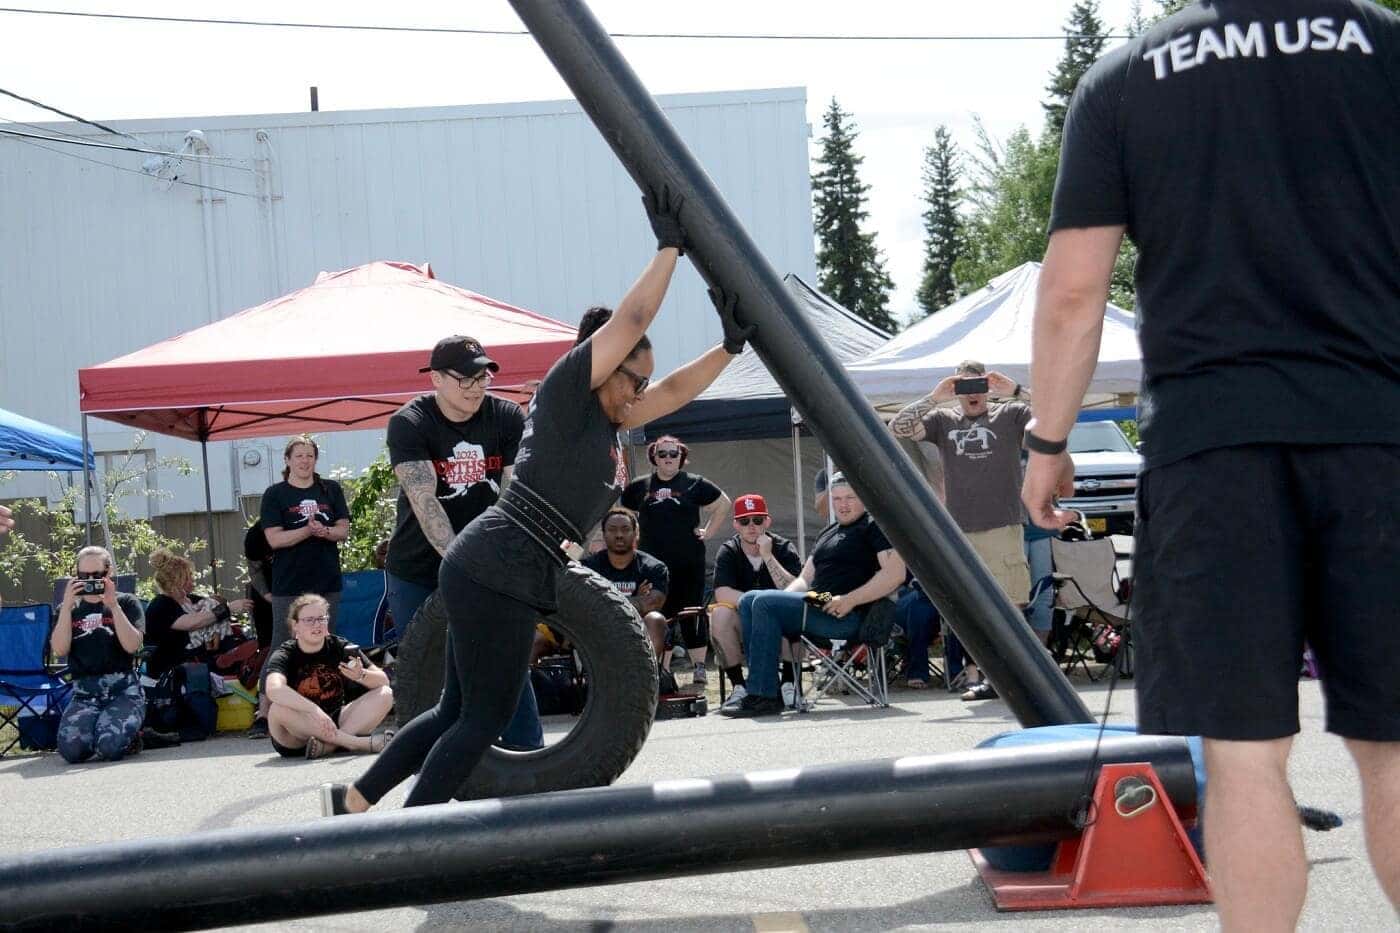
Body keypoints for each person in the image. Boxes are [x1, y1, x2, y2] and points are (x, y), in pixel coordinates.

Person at [1019, 5, 1399, 930]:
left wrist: (1047, 443)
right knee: (1392, 750)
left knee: (1241, 757)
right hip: (1379, 436)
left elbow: (1074, 290)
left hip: (1212, 450)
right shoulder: (1384, 49)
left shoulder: (1127, 78)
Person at [322, 184, 746, 815]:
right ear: (603, 367)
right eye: (636, 376)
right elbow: (631, 321)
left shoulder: (609, 420)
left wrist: (731, 347)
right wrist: (669, 250)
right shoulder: (570, 387)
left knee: (457, 711)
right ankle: (409, 840)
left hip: (511, 569)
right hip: (497, 562)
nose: (643, 389)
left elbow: (679, 390)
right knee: (480, 717)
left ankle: (356, 802)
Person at [382, 333, 540, 749]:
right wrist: (462, 563)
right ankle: (433, 764)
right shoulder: (409, 423)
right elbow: (423, 499)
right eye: (464, 379)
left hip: (489, 559)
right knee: (430, 667)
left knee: (506, 654)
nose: (476, 388)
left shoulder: (506, 416)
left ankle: (529, 755)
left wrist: (497, 561)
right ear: (435, 379)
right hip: (419, 567)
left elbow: (511, 494)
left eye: (483, 378)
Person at [890, 359, 1041, 701]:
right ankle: (993, 679)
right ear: (956, 390)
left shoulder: (1011, 413)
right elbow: (898, 428)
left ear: (988, 387)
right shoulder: (943, 420)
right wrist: (934, 396)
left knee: (1011, 605)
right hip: (960, 530)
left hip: (1002, 523)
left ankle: (1026, 679)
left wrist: (1014, 389)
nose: (973, 394)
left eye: (978, 386)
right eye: (964, 387)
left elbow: (1054, 417)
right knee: (976, 608)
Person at [722, 474, 905, 718]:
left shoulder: (875, 526)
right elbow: (804, 581)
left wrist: (850, 599)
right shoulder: (828, 533)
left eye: (850, 497)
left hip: (850, 610)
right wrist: (779, 601)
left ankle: (763, 696)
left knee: (764, 601)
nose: (843, 504)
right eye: (837, 498)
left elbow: (895, 574)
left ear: (863, 498)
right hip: (821, 599)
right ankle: (766, 690)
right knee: (750, 599)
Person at [620, 435, 731, 685]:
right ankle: (662, 669)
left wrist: (708, 532)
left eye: (673, 454)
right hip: (652, 566)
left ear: (681, 457)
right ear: (654, 457)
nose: (668, 458)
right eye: (663, 454)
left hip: (689, 562)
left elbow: (723, 504)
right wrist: (632, 536)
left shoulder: (694, 483)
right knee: (658, 613)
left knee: (692, 613)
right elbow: (622, 513)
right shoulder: (640, 486)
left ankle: (699, 668)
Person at [263, 594, 393, 759]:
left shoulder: (340, 646)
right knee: (277, 708)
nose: (316, 624)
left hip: (336, 719)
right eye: (309, 620)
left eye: (321, 619)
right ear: (295, 625)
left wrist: (361, 675)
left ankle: (330, 746)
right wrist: (313, 709)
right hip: (297, 734)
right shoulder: (285, 653)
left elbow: (383, 680)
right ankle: (359, 743)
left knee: (385, 694)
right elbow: (273, 689)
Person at [708, 493, 804, 711]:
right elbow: (722, 593)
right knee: (720, 615)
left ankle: (789, 683)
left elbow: (794, 589)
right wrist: (757, 605)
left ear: (767, 521)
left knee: (796, 612)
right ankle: (739, 687)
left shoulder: (783, 547)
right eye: (744, 521)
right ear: (736, 525)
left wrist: (768, 556)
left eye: (757, 520)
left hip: (779, 621)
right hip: (744, 620)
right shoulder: (729, 551)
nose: (751, 526)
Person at [50, 546, 146, 763]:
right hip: (85, 693)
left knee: (109, 748)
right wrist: (65, 607)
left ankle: (130, 735)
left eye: (97, 575)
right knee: (72, 752)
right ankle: (105, 730)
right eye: (83, 576)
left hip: (123, 691)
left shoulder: (126, 602)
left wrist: (112, 606)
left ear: (109, 572)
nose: (90, 581)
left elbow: (132, 646)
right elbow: (59, 649)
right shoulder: (69, 610)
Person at [260, 436, 350, 634]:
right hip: (289, 586)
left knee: (324, 640)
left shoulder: (331, 489)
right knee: (284, 646)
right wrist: (308, 530)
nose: (304, 460)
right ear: (287, 460)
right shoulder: (275, 494)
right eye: (299, 455)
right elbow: (274, 540)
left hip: (327, 583)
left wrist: (325, 531)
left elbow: (343, 530)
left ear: (315, 460)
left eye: (310, 455)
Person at [580, 508, 670, 676]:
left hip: (637, 628)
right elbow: (581, 604)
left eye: (625, 529)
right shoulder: (587, 568)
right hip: (596, 629)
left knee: (655, 618)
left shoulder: (653, 567)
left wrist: (602, 602)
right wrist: (637, 600)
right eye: (612, 530)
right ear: (604, 534)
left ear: (636, 533)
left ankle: (646, 676)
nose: (619, 535)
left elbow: (653, 602)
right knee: (539, 637)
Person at [144, 548, 252, 679]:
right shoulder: (160, 605)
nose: (193, 579)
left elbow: (211, 616)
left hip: (200, 665)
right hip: (171, 673)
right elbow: (192, 622)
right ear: (178, 580)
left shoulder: (194, 599)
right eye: (189, 576)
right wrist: (227, 609)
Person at [244, 519, 277, 739]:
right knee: (270, 648)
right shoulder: (254, 537)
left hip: (300, 591)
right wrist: (266, 594)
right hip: (267, 595)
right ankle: (263, 712)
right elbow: (254, 570)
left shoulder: (296, 525)